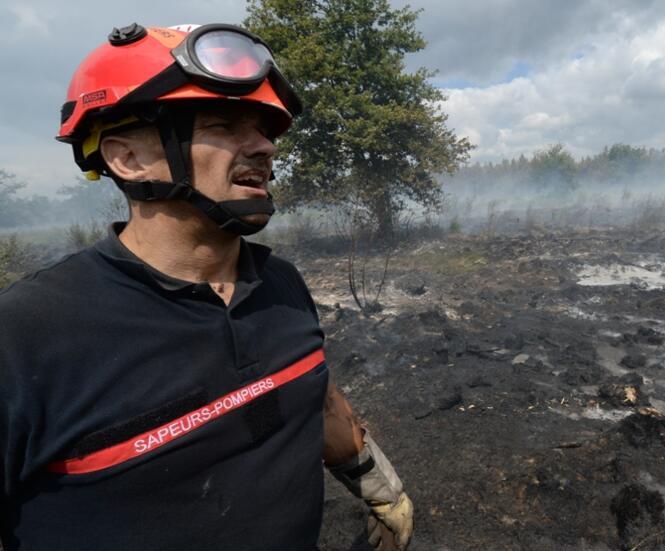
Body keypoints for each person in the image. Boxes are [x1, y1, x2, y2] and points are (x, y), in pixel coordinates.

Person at [0, 23, 413, 550]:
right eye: (225, 123)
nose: (265, 146)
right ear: (128, 159)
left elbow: (312, 393)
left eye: (265, 130)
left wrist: (380, 487)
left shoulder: (280, 282)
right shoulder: (26, 333)